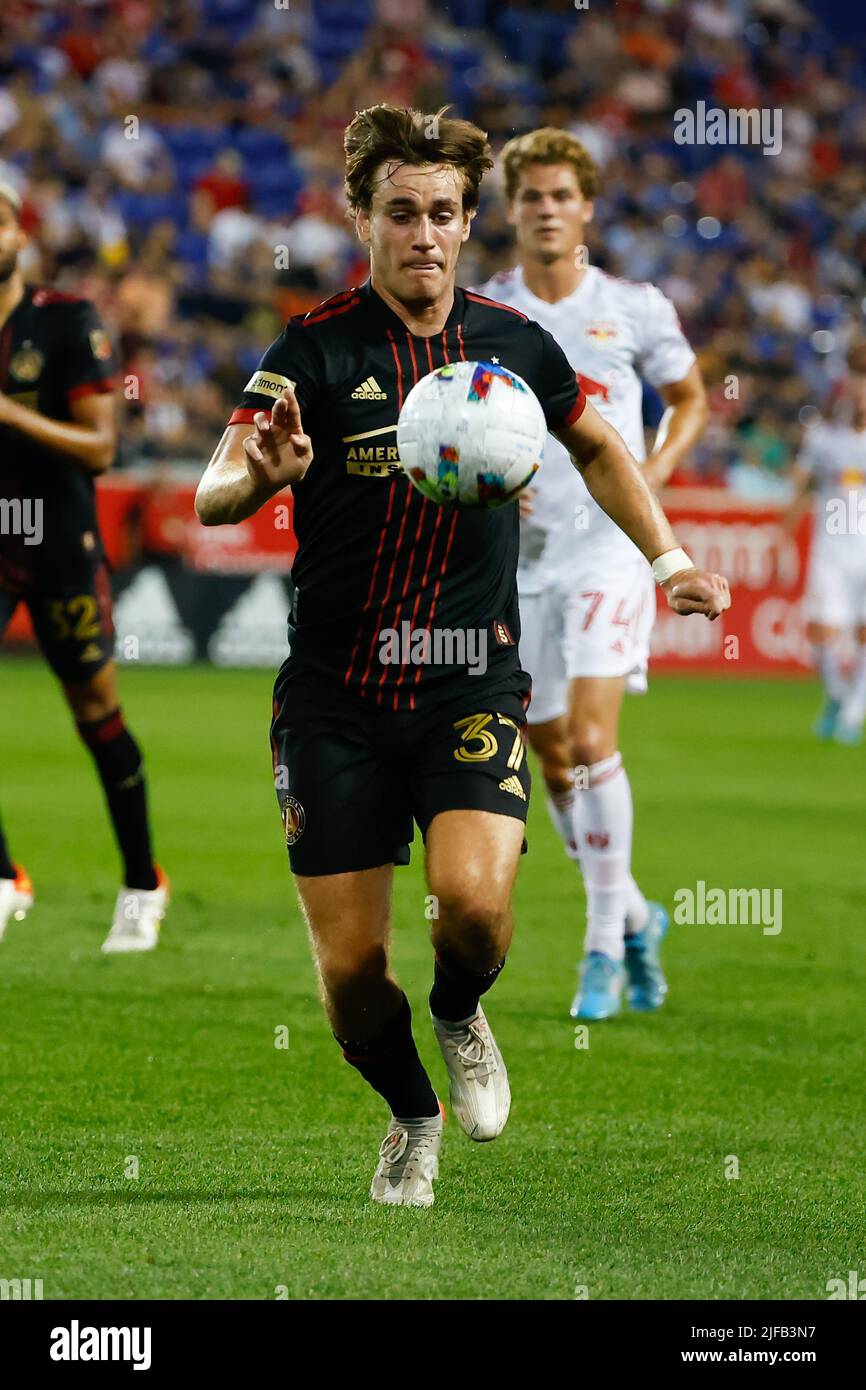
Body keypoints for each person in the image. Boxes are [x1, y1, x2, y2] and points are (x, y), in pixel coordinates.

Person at [195, 105, 729, 1208]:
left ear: (467, 221)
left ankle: (456, 1013)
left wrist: (668, 556)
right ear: (361, 219)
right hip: (333, 697)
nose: (424, 234)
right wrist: (266, 473)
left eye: (443, 212)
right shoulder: (312, 346)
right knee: (348, 986)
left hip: (464, 679)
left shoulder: (513, 344)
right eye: (400, 213)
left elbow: (596, 442)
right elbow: (212, 490)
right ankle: (409, 1113)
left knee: (474, 911)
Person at [478, 129, 709, 1020]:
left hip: (610, 548)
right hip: (520, 560)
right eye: (530, 197)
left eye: (560, 196)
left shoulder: (635, 306)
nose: (545, 210)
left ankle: (602, 947)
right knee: (551, 751)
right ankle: (640, 913)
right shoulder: (484, 310)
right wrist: (490, 490)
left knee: (591, 734)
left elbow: (690, 397)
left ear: (586, 207)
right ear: (511, 211)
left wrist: (647, 477)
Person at [0, 182, 168, 952]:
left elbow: (100, 448)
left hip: (59, 544)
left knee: (95, 714)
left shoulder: (66, 321)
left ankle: (142, 882)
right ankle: (7, 879)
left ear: (20, 237)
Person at [781, 367, 866, 745]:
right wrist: (782, 535)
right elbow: (801, 485)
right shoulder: (823, 438)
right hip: (830, 551)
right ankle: (837, 696)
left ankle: (853, 712)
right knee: (820, 630)